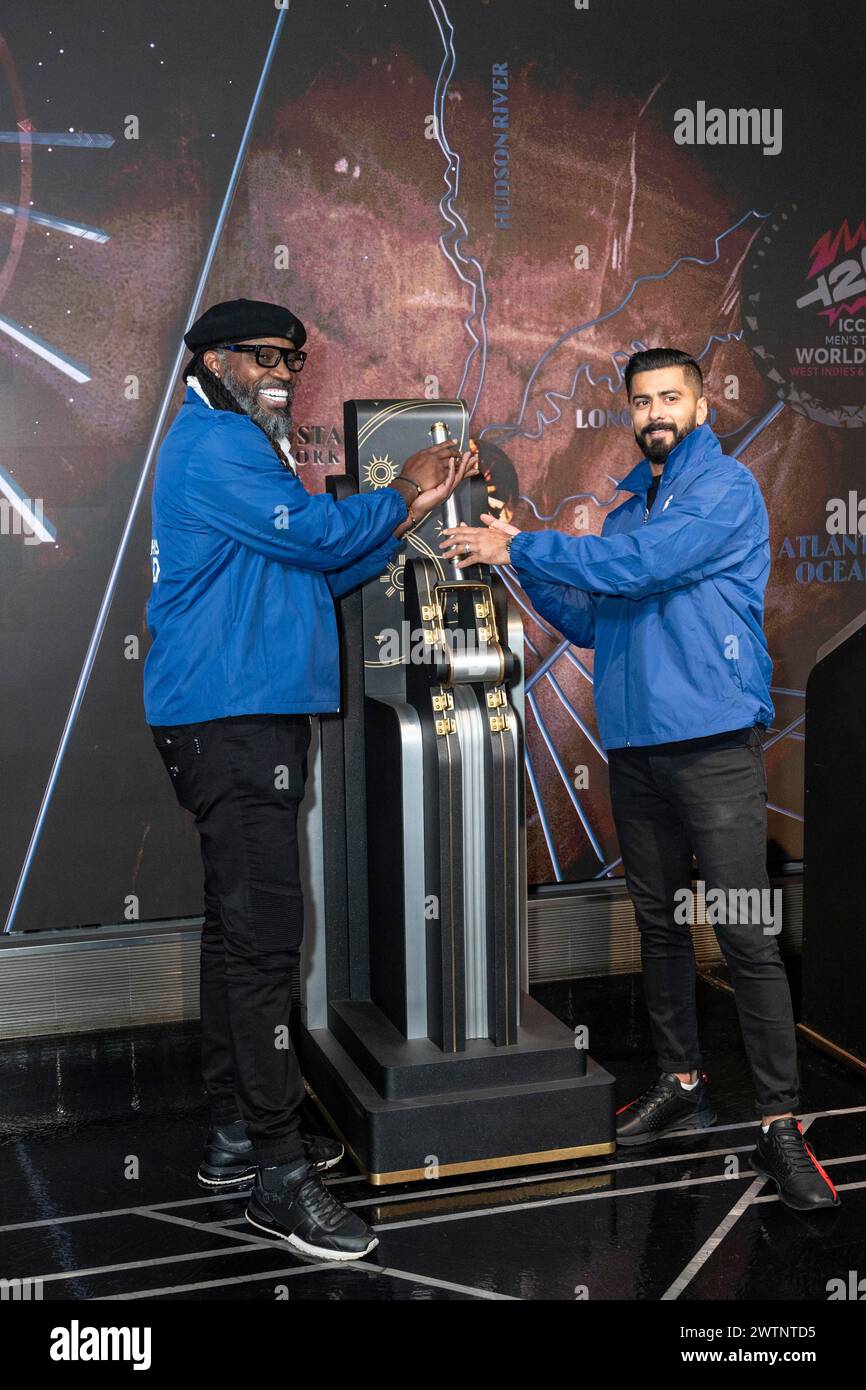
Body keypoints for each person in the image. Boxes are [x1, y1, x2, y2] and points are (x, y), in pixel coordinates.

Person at [440, 347, 838, 1212]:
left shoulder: (722, 493)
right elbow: (589, 614)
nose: (655, 411)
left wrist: (527, 540)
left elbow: (644, 568)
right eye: (642, 400)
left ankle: (781, 1124)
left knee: (744, 935)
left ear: (700, 407)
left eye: (670, 397)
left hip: (714, 748)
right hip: (637, 748)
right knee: (658, 929)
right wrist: (516, 562)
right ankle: (682, 1078)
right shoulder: (628, 514)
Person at [144, 297, 475, 1259]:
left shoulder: (239, 449)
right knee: (264, 948)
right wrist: (404, 495)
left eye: (292, 354)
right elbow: (317, 538)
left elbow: (314, 571)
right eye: (262, 354)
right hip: (235, 721)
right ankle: (278, 1176)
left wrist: (405, 514)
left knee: (236, 935)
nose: (283, 368)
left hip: (233, 719)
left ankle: (235, 1134)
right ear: (208, 360)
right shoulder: (216, 446)